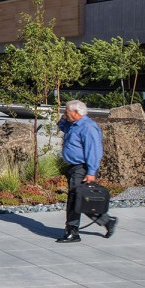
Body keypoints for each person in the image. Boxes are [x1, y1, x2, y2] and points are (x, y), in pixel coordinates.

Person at [56, 99, 119, 243]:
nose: (65, 113)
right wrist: (64, 118)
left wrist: (91, 172)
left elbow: (94, 151)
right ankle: (107, 221)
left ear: (76, 112)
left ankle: (72, 232)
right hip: (73, 167)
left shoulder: (88, 127)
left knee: (74, 200)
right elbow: (61, 126)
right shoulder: (73, 125)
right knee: (81, 200)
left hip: (82, 168)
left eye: (67, 111)